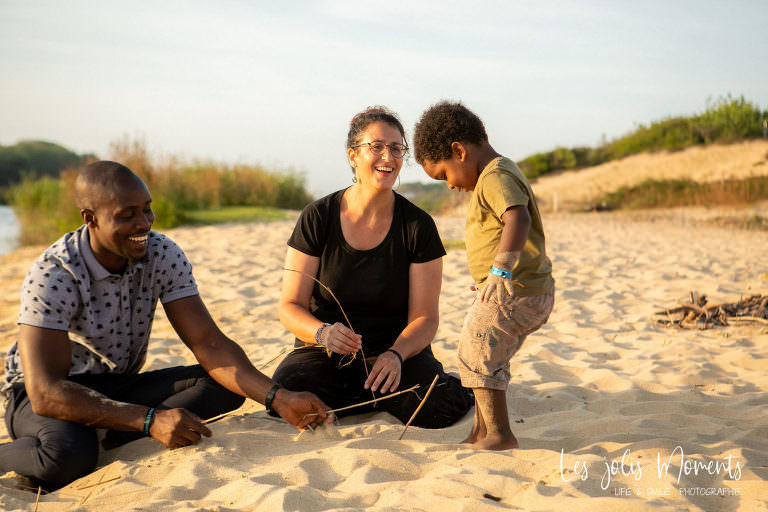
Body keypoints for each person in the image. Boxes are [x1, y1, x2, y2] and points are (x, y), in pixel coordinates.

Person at [1, 161, 331, 490]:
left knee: (223, 384)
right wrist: (149, 420)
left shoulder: (162, 254)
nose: (143, 223)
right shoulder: (54, 273)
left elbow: (210, 345)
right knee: (68, 457)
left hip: (116, 383)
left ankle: (113, 429)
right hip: (41, 394)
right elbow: (45, 392)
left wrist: (279, 397)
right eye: (126, 215)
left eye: (147, 210)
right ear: (90, 218)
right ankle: (94, 433)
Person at [273, 106, 473, 428]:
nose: (388, 157)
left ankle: (379, 391)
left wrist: (395, 354)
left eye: (396, 149)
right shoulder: (317, 217)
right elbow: (289, 306)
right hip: (324, 352)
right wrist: (322, 333)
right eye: (376, 146)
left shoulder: (418, 226)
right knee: (289, 393)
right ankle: (369, 395)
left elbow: (425, 318)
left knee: (438, 407)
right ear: (353, 156)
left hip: (396, 354)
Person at [413, 101, 555, 450]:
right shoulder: (498, 173)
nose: (447, 185)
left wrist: (499, 269)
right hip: (521, 289)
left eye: (443, 174)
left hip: (513, 290)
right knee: (484, 357)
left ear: (458, 151)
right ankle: (481, 431)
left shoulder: (494, 176)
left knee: (475, 354)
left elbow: (517, 218)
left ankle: (499, 435)